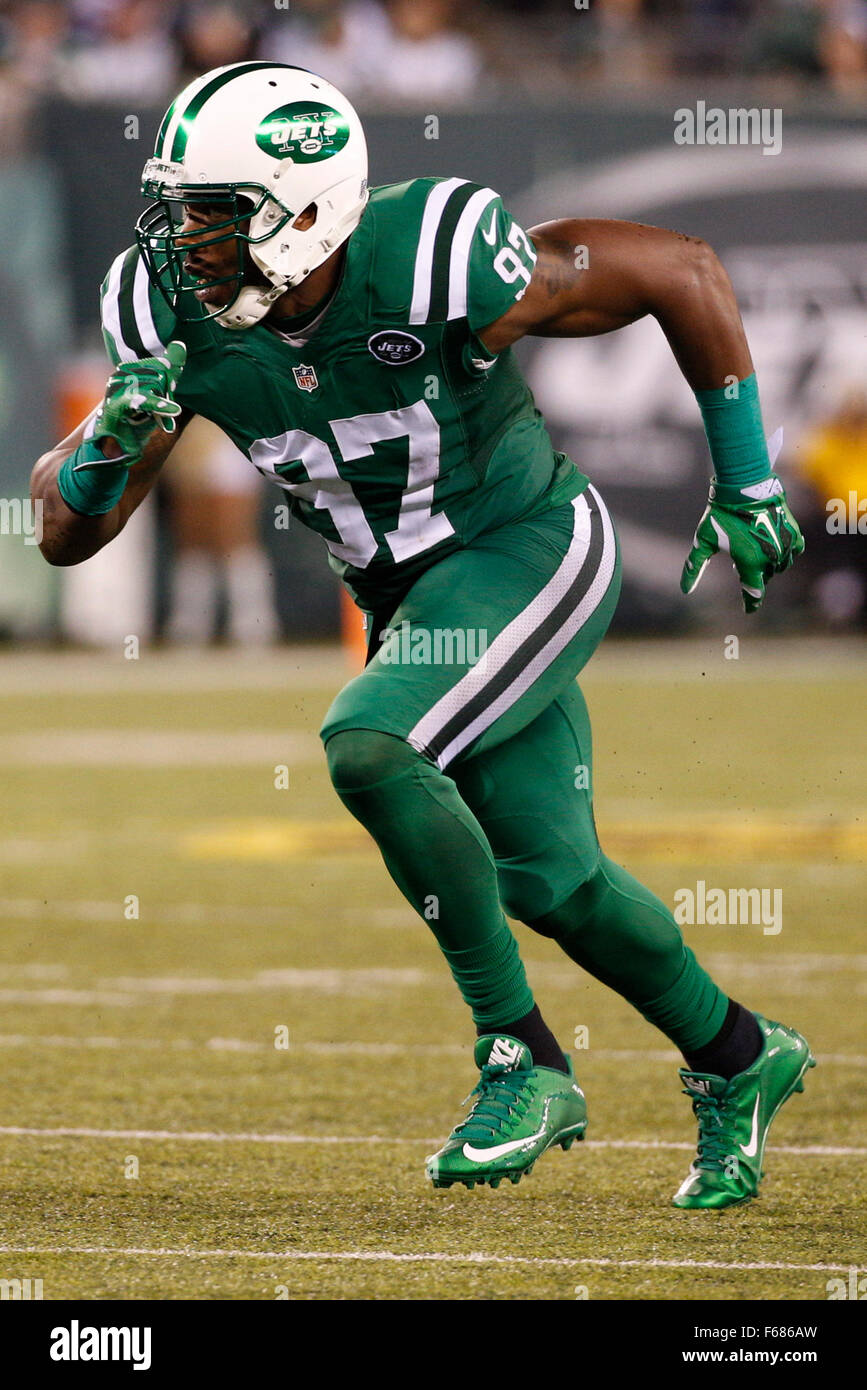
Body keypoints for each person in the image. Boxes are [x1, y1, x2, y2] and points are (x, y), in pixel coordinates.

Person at [31, 61, 813, 1208]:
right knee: (555, 881)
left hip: (525, 544)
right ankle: (742, 1055)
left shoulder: (438, 252)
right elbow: (64, 536)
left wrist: (746, 482)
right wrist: (107, 444)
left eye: (214, 216)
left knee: (369, 744)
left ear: (306, 210)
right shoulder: (165, 310)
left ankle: (523, 1058)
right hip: (408, 596)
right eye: (179, 212)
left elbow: (681, 271)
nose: (184, 244)